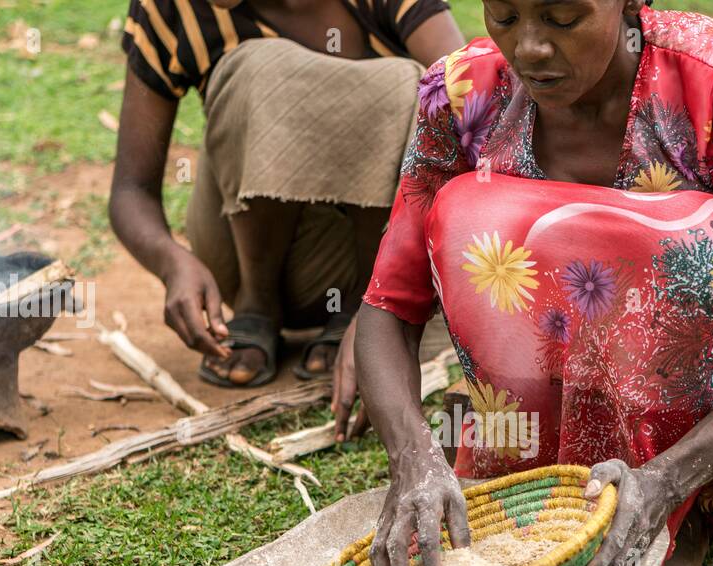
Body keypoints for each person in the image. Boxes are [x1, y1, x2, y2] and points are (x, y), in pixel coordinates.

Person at [348, 0, 713, 566]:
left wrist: (665, 484)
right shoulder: (460, 92)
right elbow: (389, 306)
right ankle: (540, 466)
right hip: (563, 373)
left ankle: (687, 509)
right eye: (505, 16)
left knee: (684, 242)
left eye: (563, 19)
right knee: (470, 213)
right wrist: (413, 459)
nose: (531, 48)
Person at [109, 0, 463, 401]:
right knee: (259, 66)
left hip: (371, 259)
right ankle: (257, 307)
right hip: (239, 255)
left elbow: (476, 109)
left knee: (409, 83)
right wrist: (172, 264)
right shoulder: (171, 8)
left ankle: (361, 312)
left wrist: (389, 302)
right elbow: (130, 190)